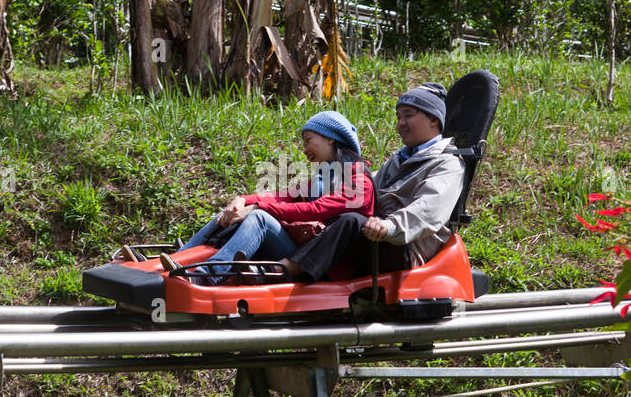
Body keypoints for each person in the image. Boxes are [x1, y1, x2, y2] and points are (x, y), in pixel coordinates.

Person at [152, 111, 374, 283]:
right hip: (302, 249)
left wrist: (258, 207)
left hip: (320, 264)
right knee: (236, 212)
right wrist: (243, 201)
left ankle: (208, 275)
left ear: (331, 138)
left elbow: (317, 209)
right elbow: (282, 196)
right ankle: (174, 260)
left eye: (308, 140)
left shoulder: (359, 183)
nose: (304, 150)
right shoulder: (322, 179)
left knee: (259, 217)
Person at [276, 82, 464, 282]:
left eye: (408, 115)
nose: (401, 123)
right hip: (374, 237)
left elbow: (428, 210)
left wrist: (389, 227)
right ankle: (267, 263)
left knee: (351, 220)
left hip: (405, 247)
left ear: (434, 119)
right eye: (399, 117)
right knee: (334, 215)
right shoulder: (398, 160)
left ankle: (288, 269)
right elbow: (363, 188)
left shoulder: (448, 164)